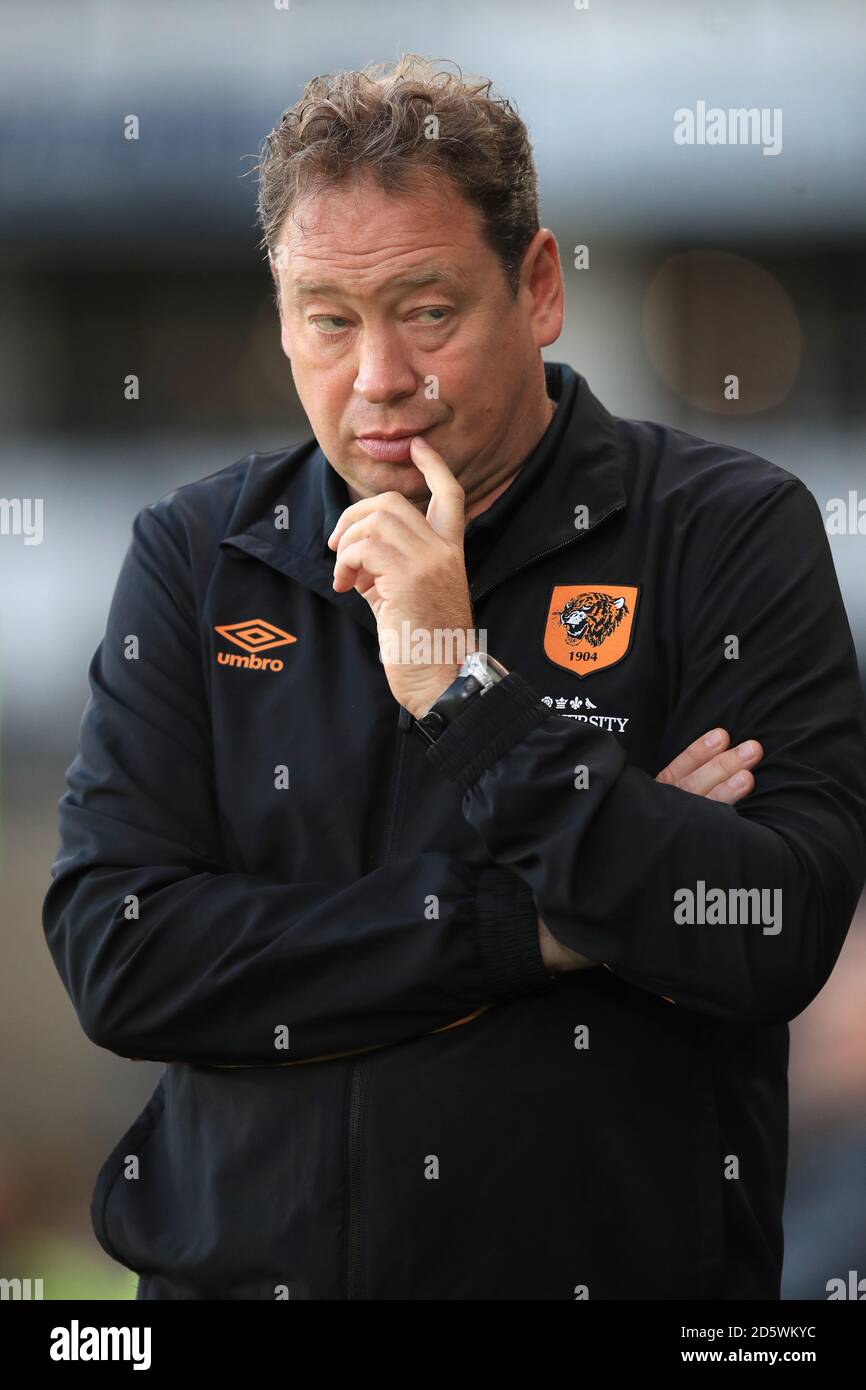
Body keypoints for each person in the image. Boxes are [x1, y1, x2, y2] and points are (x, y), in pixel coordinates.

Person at [43, 55, 866, 1300]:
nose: (377, 377)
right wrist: (543, 923)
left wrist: (460, 688)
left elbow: (765, 923)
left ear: (538, 287)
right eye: (328, 318)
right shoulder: (199, 553)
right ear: (281, 313)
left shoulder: (725, 530)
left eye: (425, 312)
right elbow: (122, 958)